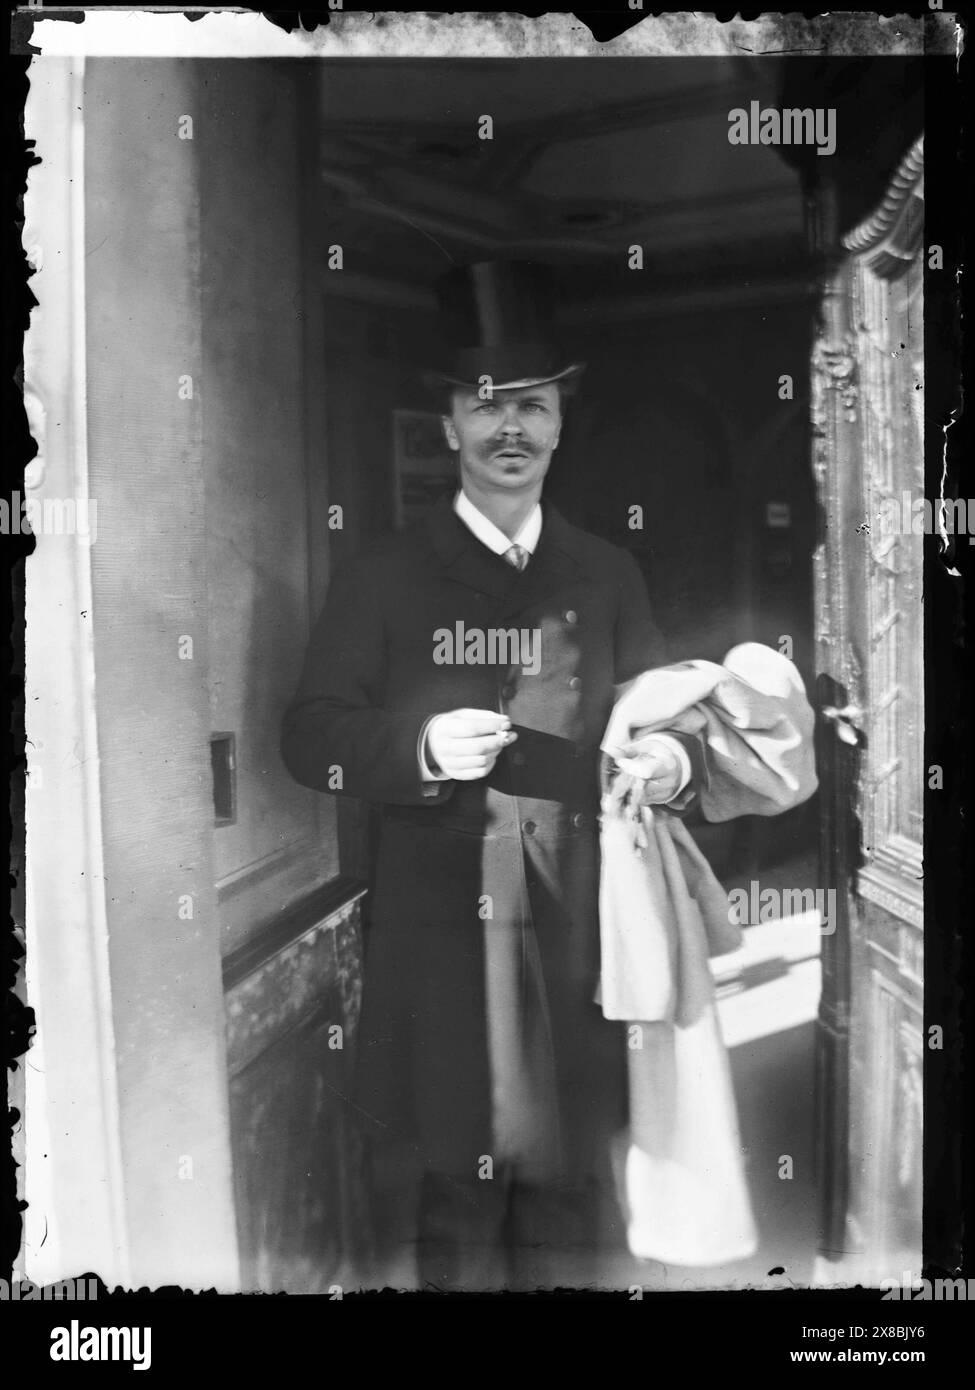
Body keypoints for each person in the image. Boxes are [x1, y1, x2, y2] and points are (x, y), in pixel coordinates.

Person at [280, 261, 705, 1291]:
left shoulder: (608, 570)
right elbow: (309, 735)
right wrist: (419, 749)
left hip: (583, 928)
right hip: (439, 938)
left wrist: (670, 757)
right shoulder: (381, 573)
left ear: (560, 427)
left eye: (533, 407)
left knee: (581, 1188)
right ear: (448, 429)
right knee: (454, 1201)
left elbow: (670, 708)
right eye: (486, 407)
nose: (509, 428)